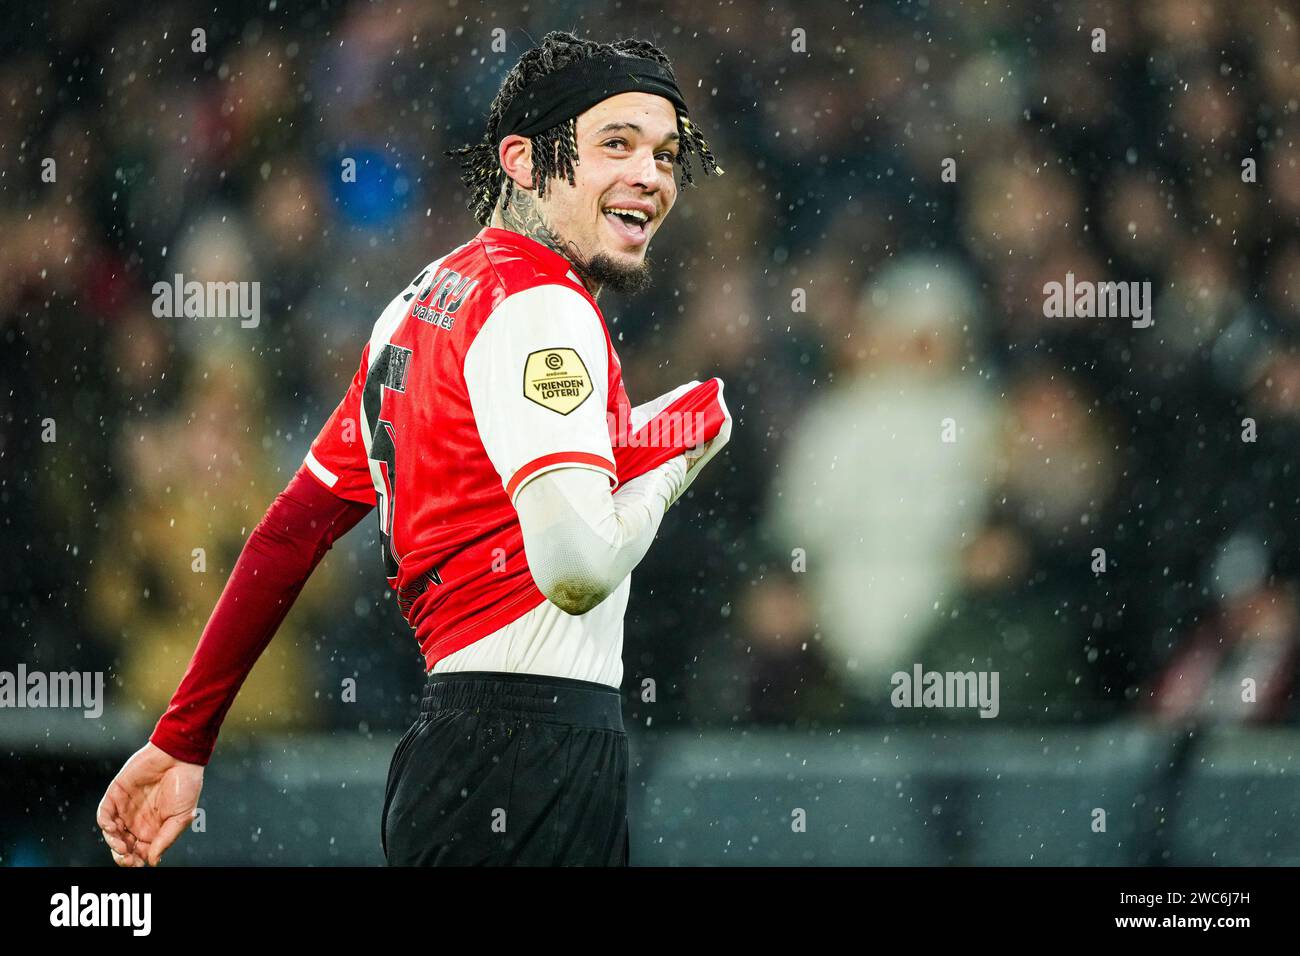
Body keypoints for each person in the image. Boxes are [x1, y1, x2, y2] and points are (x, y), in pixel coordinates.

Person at [96, 30, 730, 867]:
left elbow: (291, 533)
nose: (651, 175)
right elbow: (576, 567)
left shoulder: (416, 304)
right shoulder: (544, 306)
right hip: (532, 752)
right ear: (523, 160)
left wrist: (182, 738)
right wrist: (677, 454)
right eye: (616, 143)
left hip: (451, 753)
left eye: (667, 155)